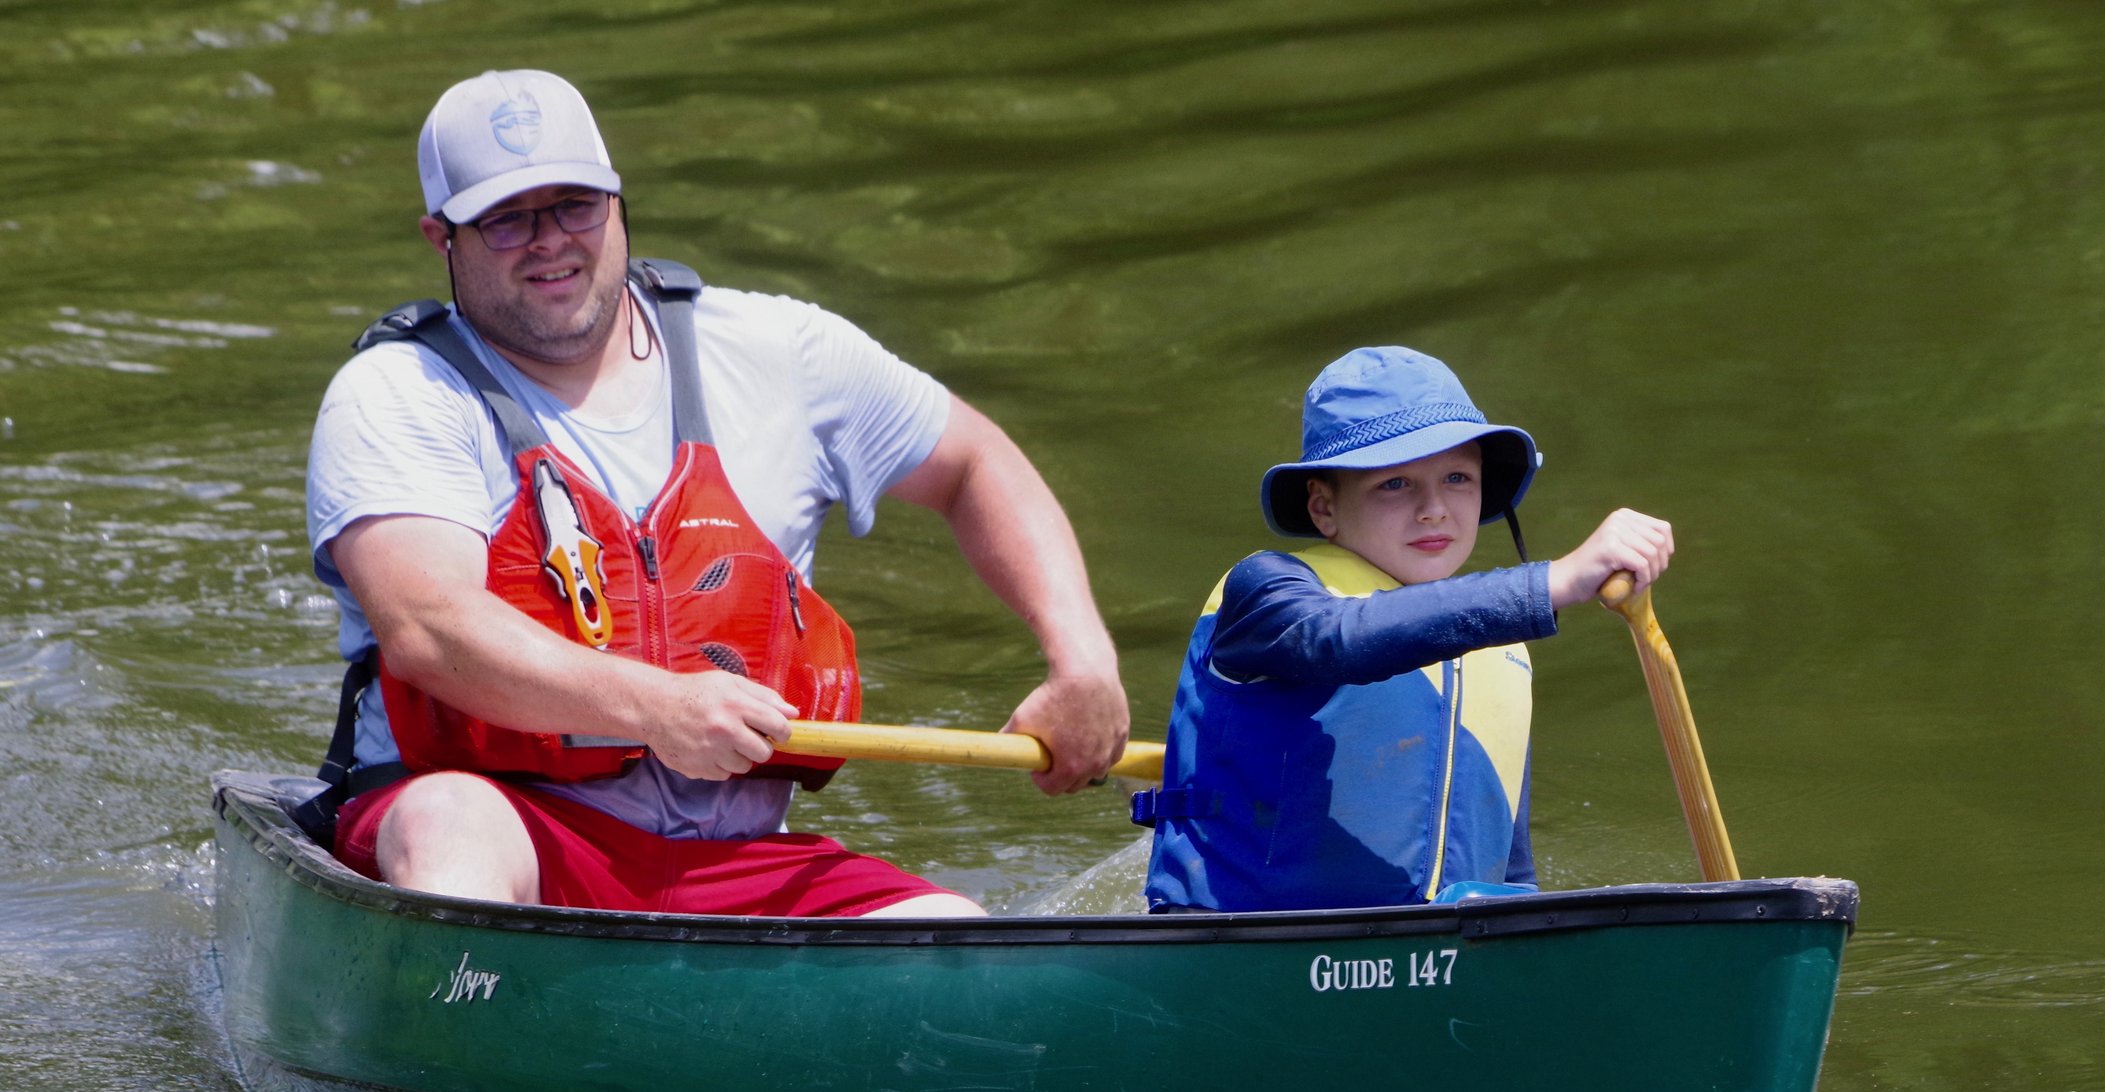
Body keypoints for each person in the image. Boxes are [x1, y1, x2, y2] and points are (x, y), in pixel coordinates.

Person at [300, 68, 1126, 919]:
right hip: (511, 831)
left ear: (618, 203)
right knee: (449, 824)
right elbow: (427, 627)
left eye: (576, 205)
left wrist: (1083, 662)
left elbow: (974, 462)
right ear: (443, 236)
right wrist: (659, 707)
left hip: (736, 866)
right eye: (507, 219)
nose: (550, 240)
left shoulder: (779, 351)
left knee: (955, 936)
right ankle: (472, 1023)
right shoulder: (399, 392)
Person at [1134, 346, 1673, 912]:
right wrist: (1554, 581)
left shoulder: (1499, 640)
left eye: (1458, 477)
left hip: (1436, 955)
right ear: (1324, 508)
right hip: (1248, 942)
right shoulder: (1264, 590)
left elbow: (1513, 867)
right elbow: (1339, 640)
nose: (1434, 509)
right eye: (1395, 484)